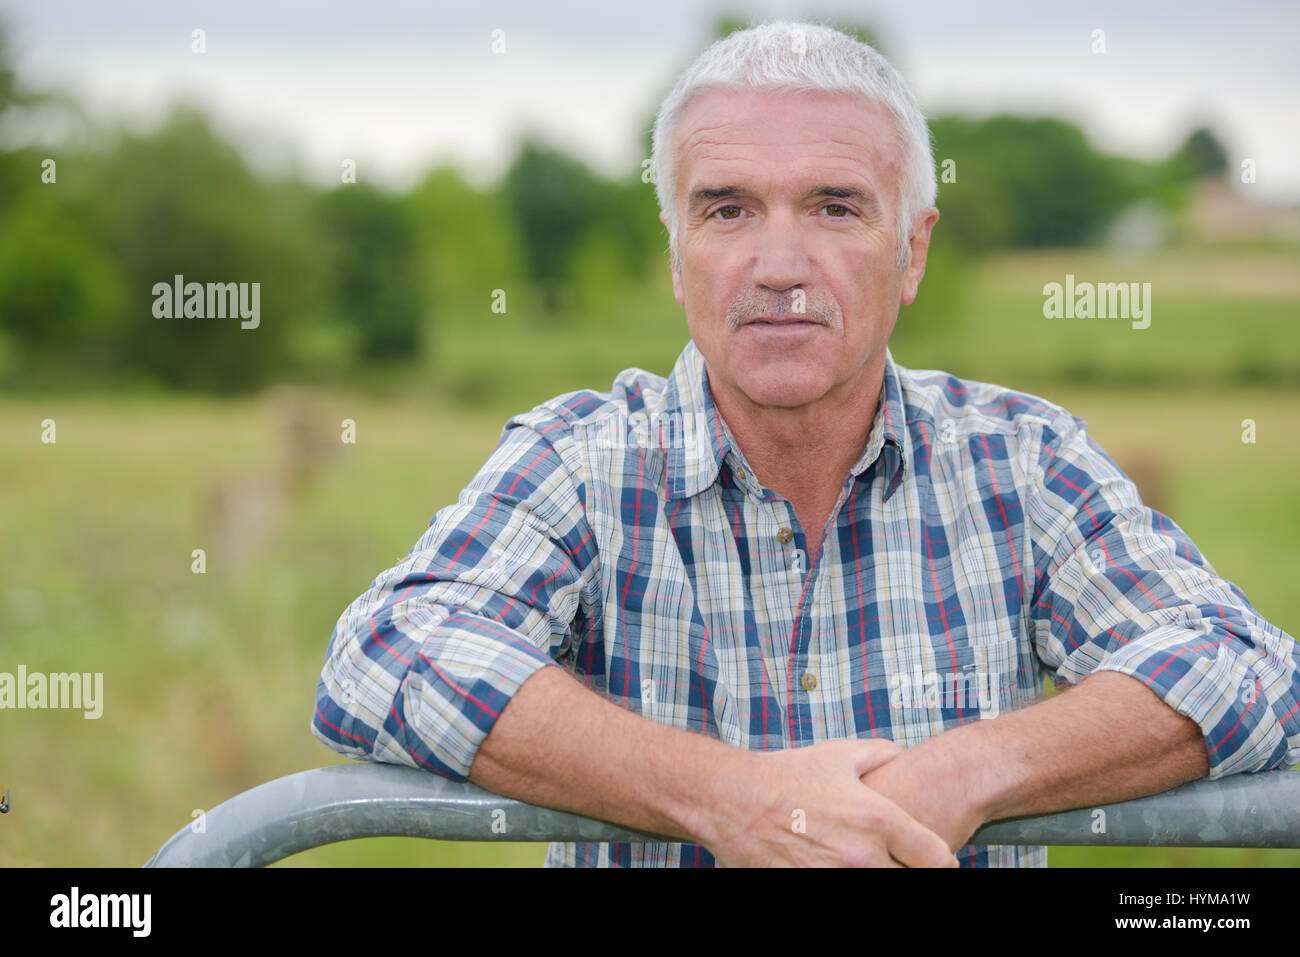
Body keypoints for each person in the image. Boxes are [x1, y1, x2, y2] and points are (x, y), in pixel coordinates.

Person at [310, 20, 1300, 867]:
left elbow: (1244, 663)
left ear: (910, 251)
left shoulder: (1022, 464)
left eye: (834, 208)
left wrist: (970, 771)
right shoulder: (582, 463)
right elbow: (384, 652)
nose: (778, 265)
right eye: (727, 210)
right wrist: (725, 798)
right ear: (674, 254)